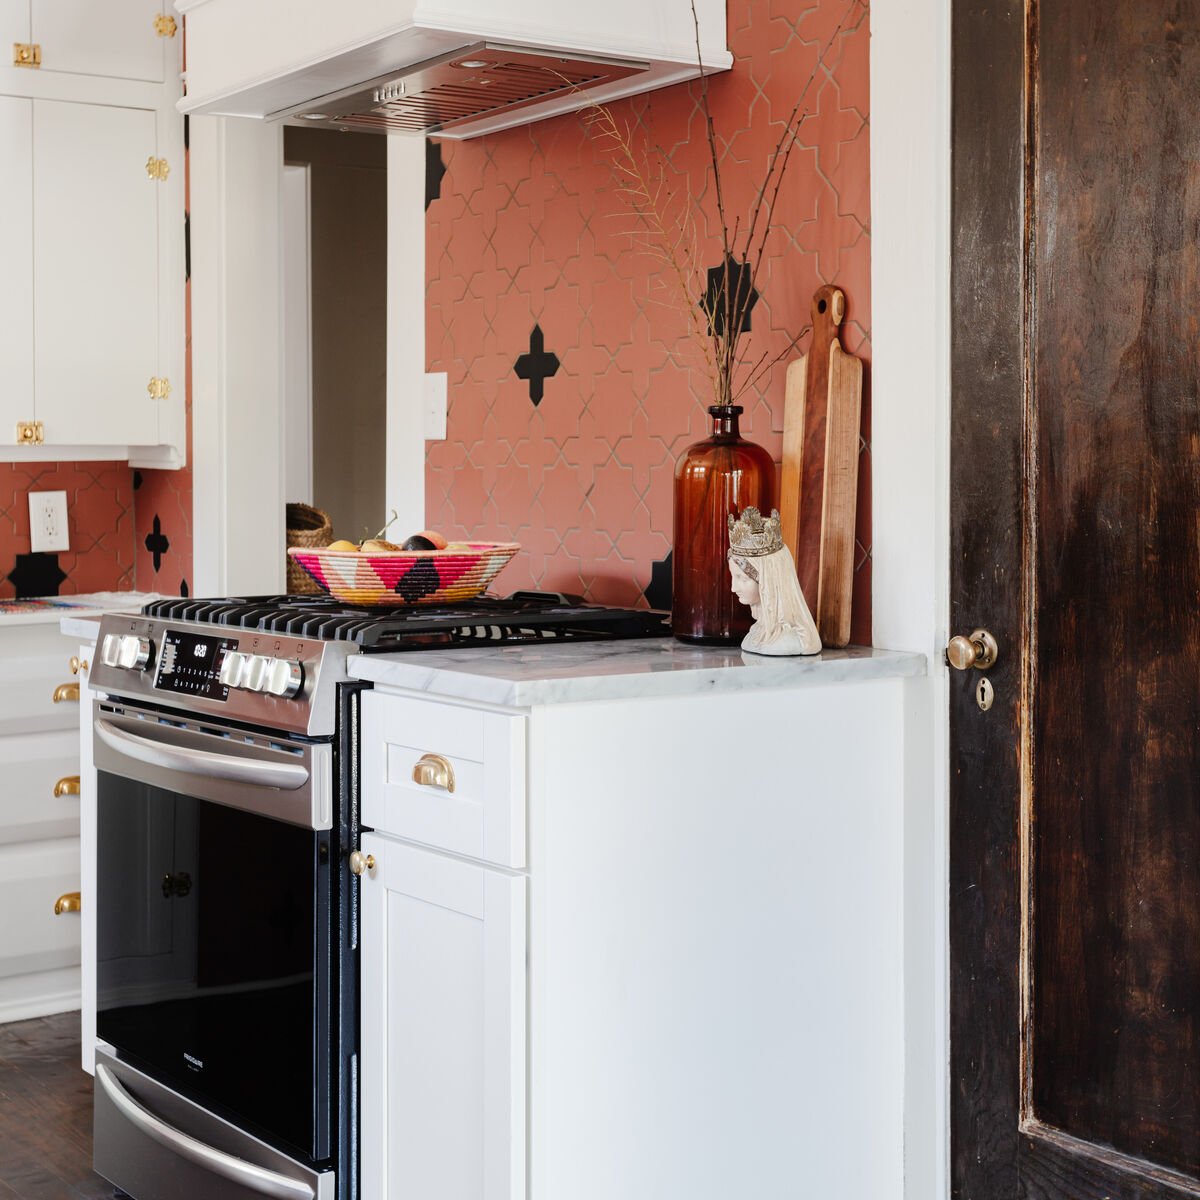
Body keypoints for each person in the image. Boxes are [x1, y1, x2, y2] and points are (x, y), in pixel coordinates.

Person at [727, 507, 821, 656]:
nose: (733, 588)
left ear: (769, 581)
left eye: (743, 578)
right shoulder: (755, 633)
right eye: (734, 576)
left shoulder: (788, 641)